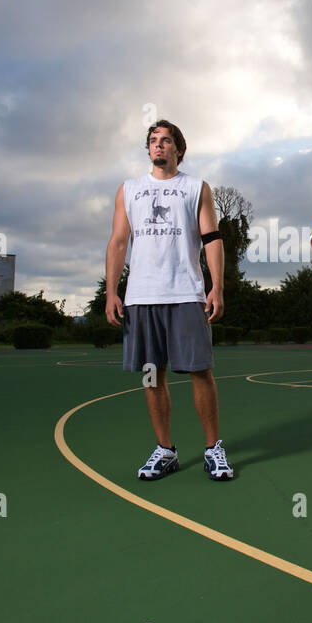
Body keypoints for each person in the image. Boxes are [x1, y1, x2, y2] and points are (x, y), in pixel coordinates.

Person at [106, 120, 234, 481]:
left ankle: (213, 449)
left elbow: (212, 239)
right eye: (152, 141)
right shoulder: (128, 190)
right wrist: (112, 292)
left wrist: (217, 287)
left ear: (179, 147)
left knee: (199, 371)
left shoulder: (196, 188)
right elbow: (118, 242)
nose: (158, 146)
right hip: (142, 295)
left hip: (185, 292)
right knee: (151, 376)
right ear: (148, 149)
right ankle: (165, 450)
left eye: (165, 141)